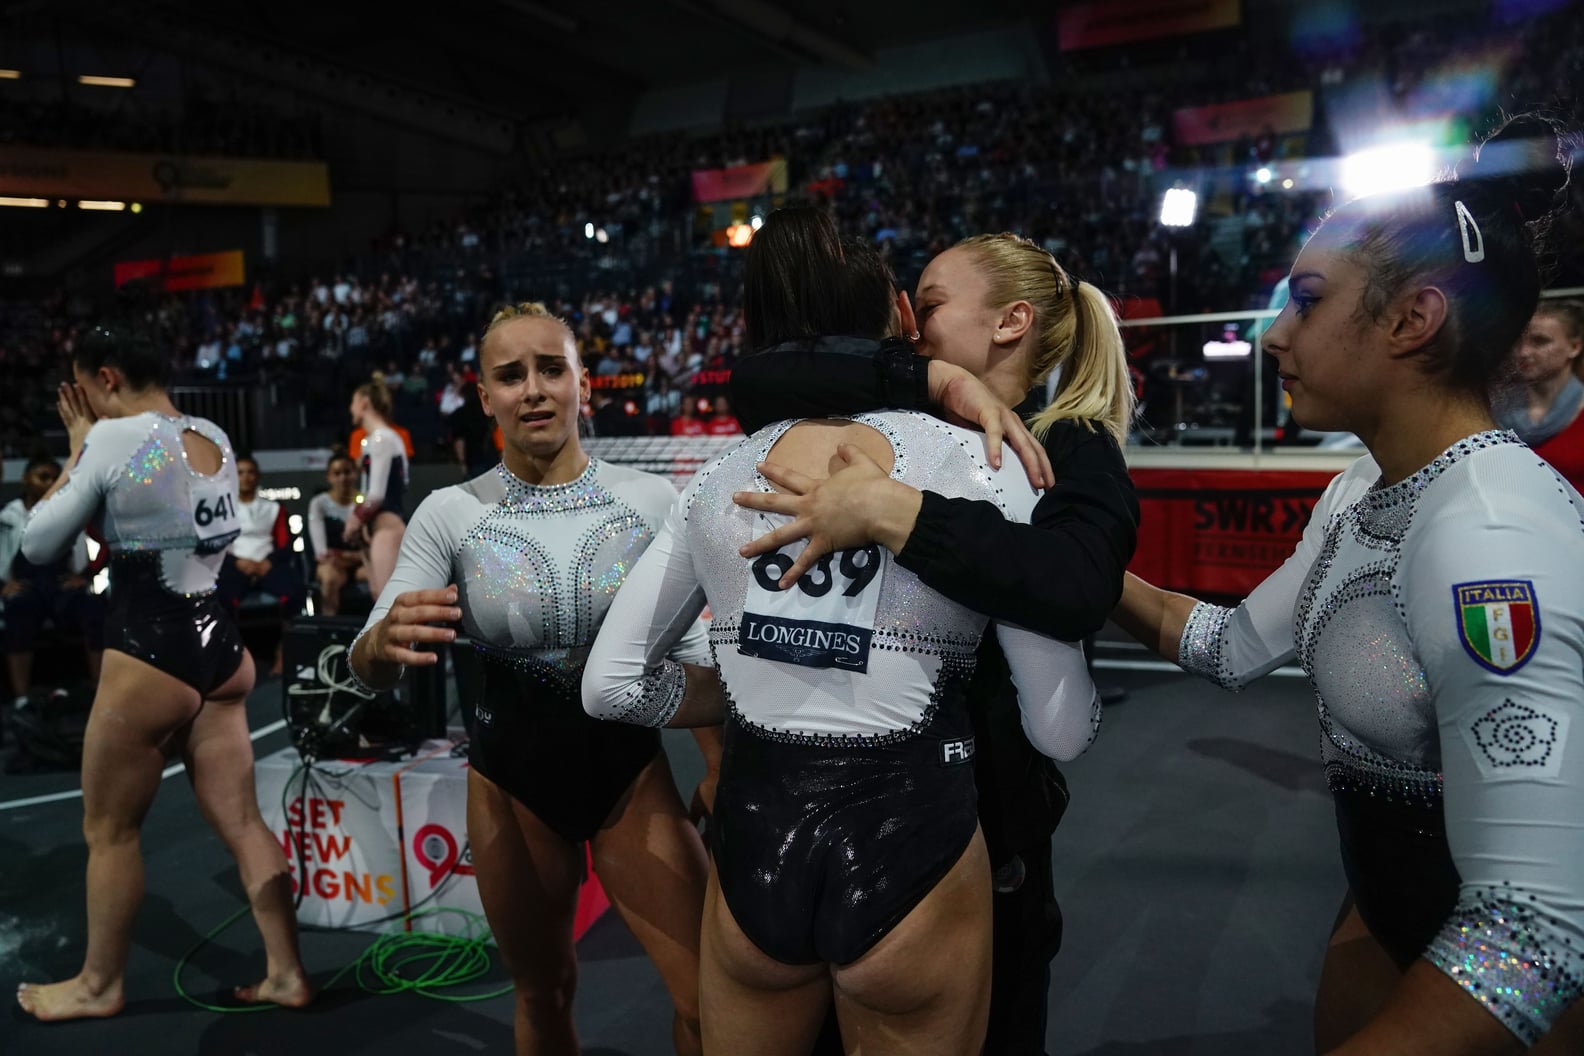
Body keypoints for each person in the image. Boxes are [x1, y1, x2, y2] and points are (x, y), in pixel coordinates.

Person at [1110, 116, 1584, 1054]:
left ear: (1413, 321)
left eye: (1308, 301)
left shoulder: (1490, 536)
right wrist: (1038, 554)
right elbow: (1226, 645)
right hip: (1388, 915)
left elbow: (1536, 932)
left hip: (1500, 985)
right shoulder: (1361, 489)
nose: (1275, 336)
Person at [584, 208, 1103, 1055]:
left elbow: (610, 687)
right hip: (916, 841)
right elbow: (1063, 730)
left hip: (756, 841)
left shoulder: (714, 478)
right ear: (898, 320)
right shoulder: (986, 460)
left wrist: (745, 669)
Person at [725, 223, 1140, 1054]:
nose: (909, 323)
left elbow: (1075, 585)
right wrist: (935, 376)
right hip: (840, 814)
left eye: (934, 304)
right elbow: (759, 375)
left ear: (1011, 322)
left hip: (983, 830)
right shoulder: (908, 411)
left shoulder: (1071, 441)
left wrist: (901, 515)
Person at [349, 302, 711, 1056]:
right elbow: (369, 659)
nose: (535, 390)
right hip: (511, 787)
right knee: (543, 994)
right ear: (486, 397)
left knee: (707, 999)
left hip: (629, 780)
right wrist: (380, 642)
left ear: (585, 383)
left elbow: (700, 653)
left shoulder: (651, 500)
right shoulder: (449, 513)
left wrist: (721, 765)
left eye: (552, 369)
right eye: (511, 376)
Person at [15, 326, 310, 1021]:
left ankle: (97, 985)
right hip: (220, 650)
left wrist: (78, 447)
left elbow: (37, 544)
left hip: (149, 653)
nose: (82, 403)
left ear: (107, 378)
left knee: (109, 831)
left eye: (83, 388)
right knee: (244, 821)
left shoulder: (113, 438)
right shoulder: (212, 433)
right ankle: (287, 973)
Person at [1, 455, 104, 706]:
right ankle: (22, 699)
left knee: (95, 609)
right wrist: (3, 585)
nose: (49, 483)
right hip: (28, 584)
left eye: (54, 478)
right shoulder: (9, 516)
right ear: (26, 479)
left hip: (61, 583)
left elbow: (103, 547)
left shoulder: (70, 512)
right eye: (43, 477)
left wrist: (84, 576)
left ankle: (100, 690)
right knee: (17, 612)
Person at [1496, 299, 1584, 487]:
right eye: (1518, 341)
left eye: (1540, 341)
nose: (1523, 352)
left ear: (1574, 347)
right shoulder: (1492, 408)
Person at [214, 455, 306, 619]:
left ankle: (286, 635)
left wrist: (269, 562)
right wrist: (237, 562)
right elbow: (217, 545)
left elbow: (285, 544)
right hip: (235, 566)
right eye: (240, 472)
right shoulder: (222, 510)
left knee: (295, 591)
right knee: (221, 595)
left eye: (250, 472)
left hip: (269, 565)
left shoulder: (274, 509)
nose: (246, 477)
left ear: (257, 476)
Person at [346, 374, 408, 599]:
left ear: (364, 403)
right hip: (376, 527)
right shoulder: (373, 441)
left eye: (353, 402)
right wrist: (362, 523)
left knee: (387, 601)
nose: (350, 409)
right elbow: (367, 492)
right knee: (378, 596)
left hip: (388, 527)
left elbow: (376, 495)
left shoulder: (383, 439)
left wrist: (354, 520)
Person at [306, 452, 366, 617]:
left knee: (384, 573)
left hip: (361, 563)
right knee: (329, 577)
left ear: (355, 474)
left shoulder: (365, 501)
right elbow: (321, 553)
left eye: (347, 472)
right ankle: (330, 626)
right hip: (333, 564)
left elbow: (373, 546)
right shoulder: (319, 503)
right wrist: (347, 557)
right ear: (329, 477)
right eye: (337, 473)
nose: (343, 478)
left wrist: (351, 557)